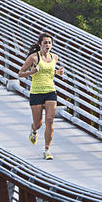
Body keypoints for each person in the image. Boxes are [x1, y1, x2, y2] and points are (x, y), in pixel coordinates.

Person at [17, 31, 64, 160]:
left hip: (50, 91)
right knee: (38, 123)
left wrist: (57, 72)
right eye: (45, 43)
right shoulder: (33, 58)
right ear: (40, 44)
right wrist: (32, 71)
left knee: (50, 120)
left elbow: (48, 71)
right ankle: (33, 129)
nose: (47, 45)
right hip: (36, 92)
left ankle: (47, 150)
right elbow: (20, 73)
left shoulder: (55, 57)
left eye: (49, 43)